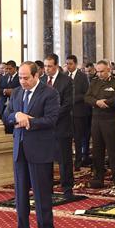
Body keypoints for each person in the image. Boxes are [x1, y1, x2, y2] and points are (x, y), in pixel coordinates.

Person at [2, 61, 59, 228]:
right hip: (20, 149)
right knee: (20, 193)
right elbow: (6, 116)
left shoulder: (50, 93)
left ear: (37, 76)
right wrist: (16, 116)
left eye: (26, 78)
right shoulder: (17, 92)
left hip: (39, 149)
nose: (22, 81)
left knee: (41, 193)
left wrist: (30, 121)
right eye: (20, 77)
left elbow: (51, 119)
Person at [85, 60, 115, 189]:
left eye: (102, 71)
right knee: (97, 150)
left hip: (110, 120)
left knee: (113, 150)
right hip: (96, 120)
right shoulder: (94, 82)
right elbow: (87, 97)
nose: (100, 74)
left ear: (109, 70)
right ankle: (98, 176)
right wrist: (96, 102)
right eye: (98, 71)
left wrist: (105, 102)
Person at [43, 54, 75, 198]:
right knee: (46, 158)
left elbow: (68, 104)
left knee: (64, 160)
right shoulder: (42, 80)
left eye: (49, 66)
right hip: (44, 129)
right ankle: (47, 187)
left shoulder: (66, 81)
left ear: (56, 66)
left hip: (61, 126)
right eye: (45, 66)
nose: (47, 69)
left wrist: (51, 116)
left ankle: (67, 188)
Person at [65, 55, 91, 168]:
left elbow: (86, 93)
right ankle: (67, 160)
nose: (68, 66)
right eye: (67, 64)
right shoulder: (64, 76)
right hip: (66, 113)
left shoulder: (82, 77)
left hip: (79, 111)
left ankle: (79, 160)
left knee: (79, 137)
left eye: (70, 64)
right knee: (67, 137)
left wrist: (72, 99)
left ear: (75, 64)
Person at [0, 60, 19, 131]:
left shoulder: (19, 77)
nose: (8, 70)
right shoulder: (3, 77)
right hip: (3, 103)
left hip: (14, 103)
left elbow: (21, 89)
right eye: (7, 69)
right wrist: (4, 91)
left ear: (15, 68)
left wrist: (13, 91)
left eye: (10, 69)